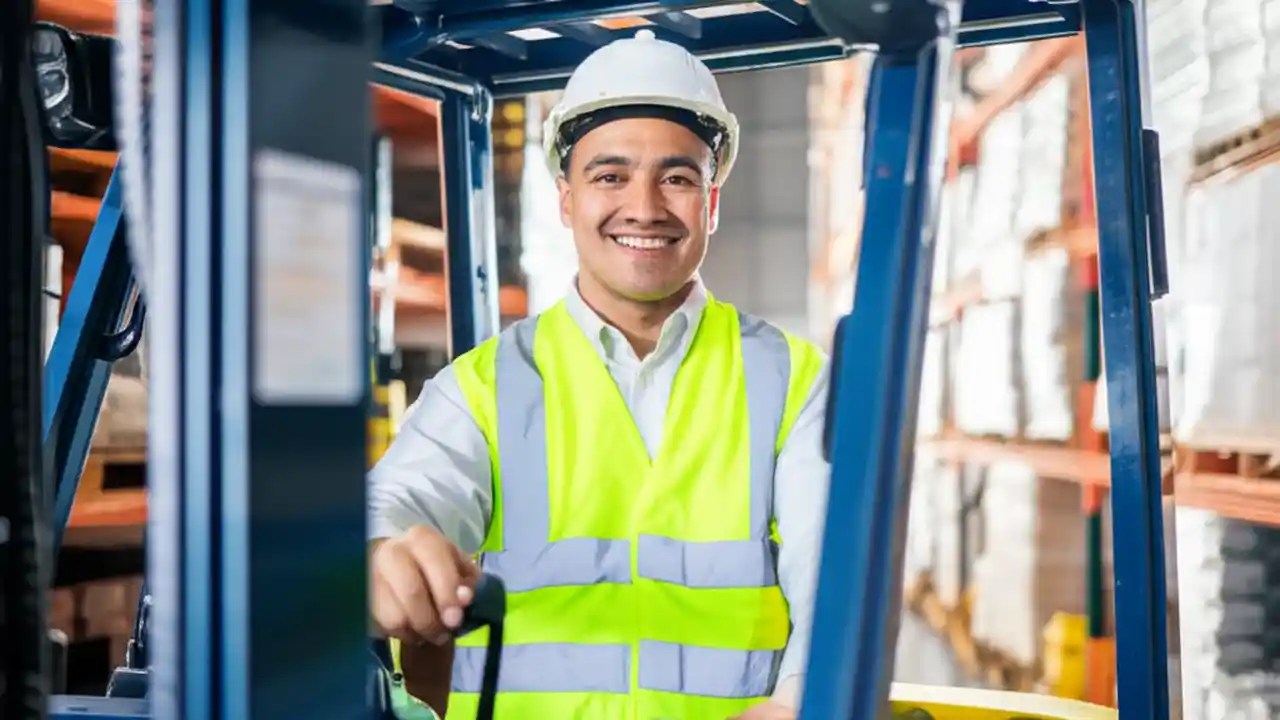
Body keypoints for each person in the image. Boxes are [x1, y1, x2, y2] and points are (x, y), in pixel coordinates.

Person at [367, 28, 831, 720]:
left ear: (712, 200)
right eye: (610, 176)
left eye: (676, 177)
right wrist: (381, 558)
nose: (643, 206)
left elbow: (836, 578)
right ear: (566, 199)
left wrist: (804, 702)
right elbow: (393, 508)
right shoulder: (484, 389)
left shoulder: (793, 382)